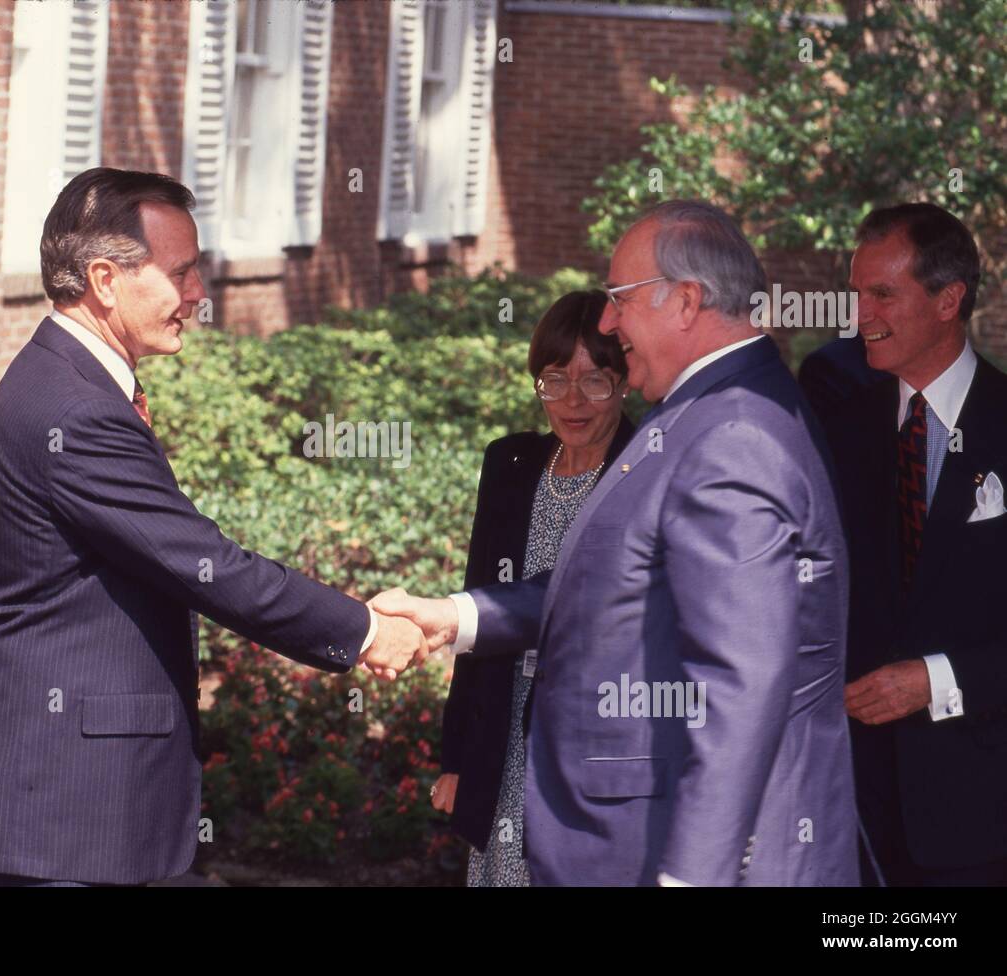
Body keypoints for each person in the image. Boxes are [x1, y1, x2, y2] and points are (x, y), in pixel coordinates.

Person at [0, 168, 425, 887]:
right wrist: (363, 629)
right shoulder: (74, 411)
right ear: (105, 279)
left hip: (64, 805)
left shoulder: (68, 380)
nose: (199, 295)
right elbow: (205, 563)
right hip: (62, 814)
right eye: (182, 273)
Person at [374, 201, 858, 886]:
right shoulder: (704, 413)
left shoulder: (734, 436)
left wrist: (691, 876)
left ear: (686, 300)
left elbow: (742, 682)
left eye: (619, 300)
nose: (606, 321)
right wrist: (458, 616)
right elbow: (619, 585)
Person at [806, 203, 1007, 886]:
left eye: (882, 294)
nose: (861, 313)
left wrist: (939, 680)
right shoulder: (839, 429)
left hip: (987, 821)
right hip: (854, 819)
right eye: (856, 294)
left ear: (949, 299)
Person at [433, 290, 635, 886]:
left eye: (595, 380)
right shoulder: (510, 465)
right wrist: (456, 758)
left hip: (594, 750)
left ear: (625, 380)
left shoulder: (646, 467)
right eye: (554, 379)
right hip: (502, 740)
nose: (572, 401)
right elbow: (481, 611)